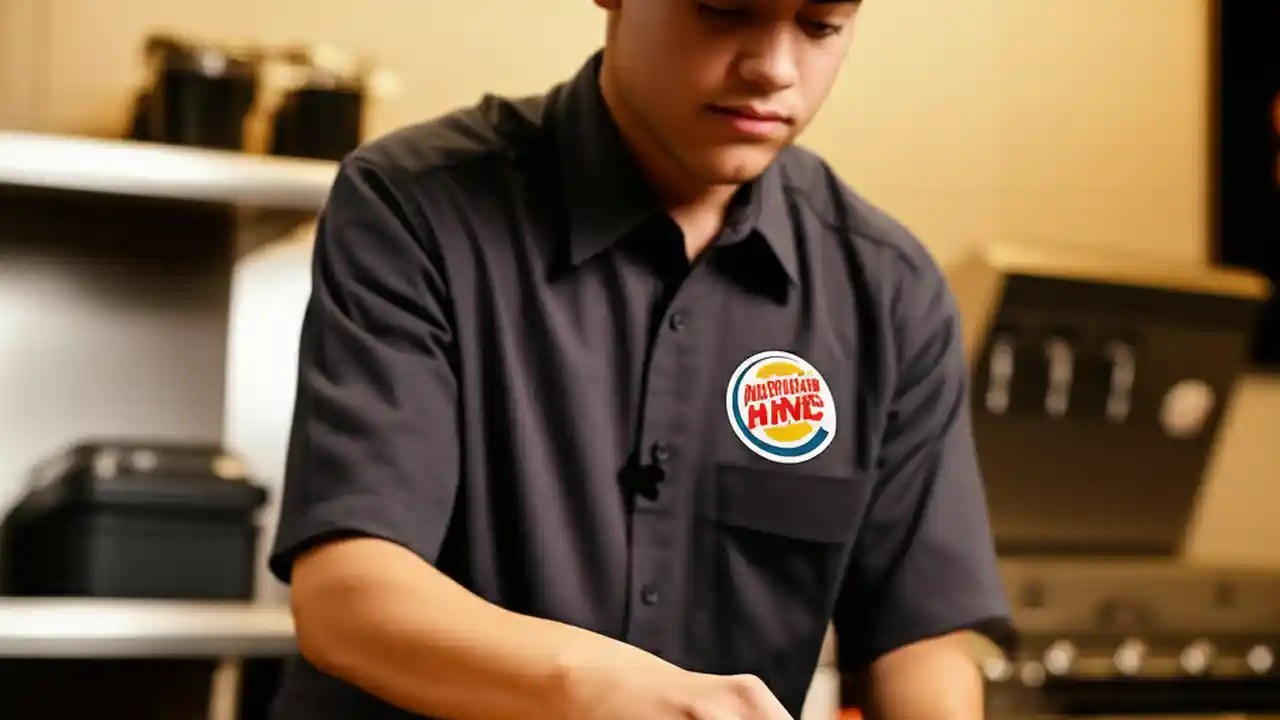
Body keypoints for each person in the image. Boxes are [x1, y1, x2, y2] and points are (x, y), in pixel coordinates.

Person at [267, 1, 1011, 718]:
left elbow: (917, 641)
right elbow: (349, 599)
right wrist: (599, 691)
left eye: (821, 25)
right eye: (724, 9)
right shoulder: (416, 204)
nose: (774, 68)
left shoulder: (889, 289)